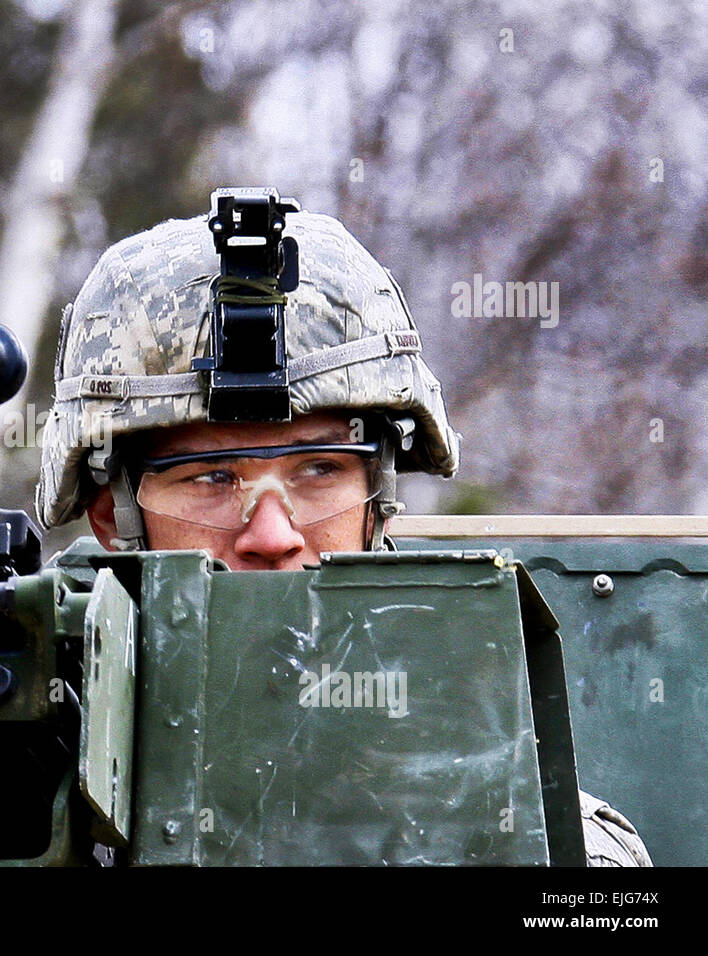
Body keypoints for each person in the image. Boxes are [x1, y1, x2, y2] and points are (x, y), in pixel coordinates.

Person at [35, 189, 652, 867]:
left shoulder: (533, 833)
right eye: (211, 477)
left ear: (378, 499)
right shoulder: (28, 812)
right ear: (112, 515)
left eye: (319, 470)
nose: (270, 535)